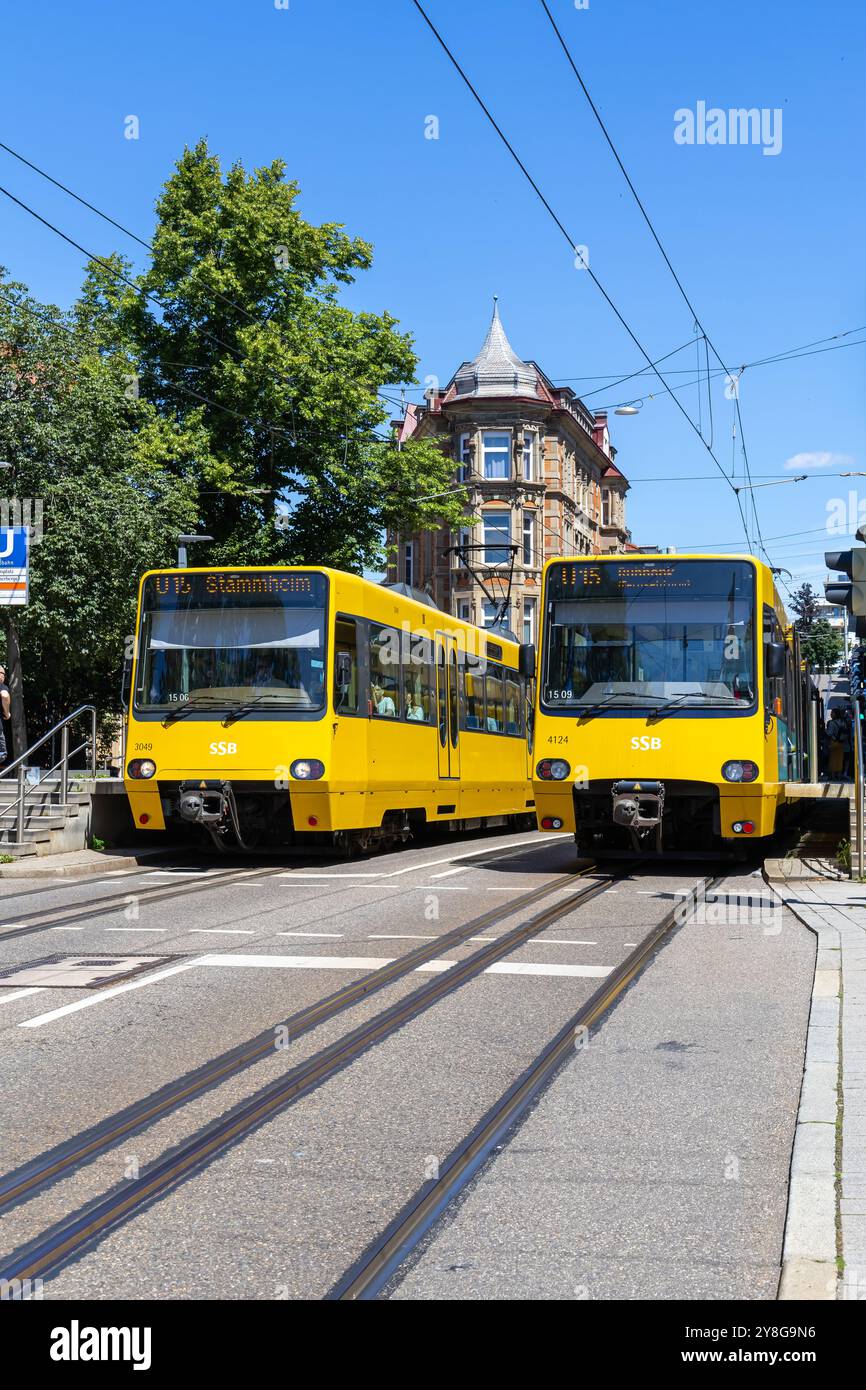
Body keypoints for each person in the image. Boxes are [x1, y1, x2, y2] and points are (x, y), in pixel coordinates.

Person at [0, 663, 10, 768]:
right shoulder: (1, 686)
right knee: (2, 754)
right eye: (3, 674)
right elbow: (5, 695)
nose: (4, 677)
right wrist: (7, 713)